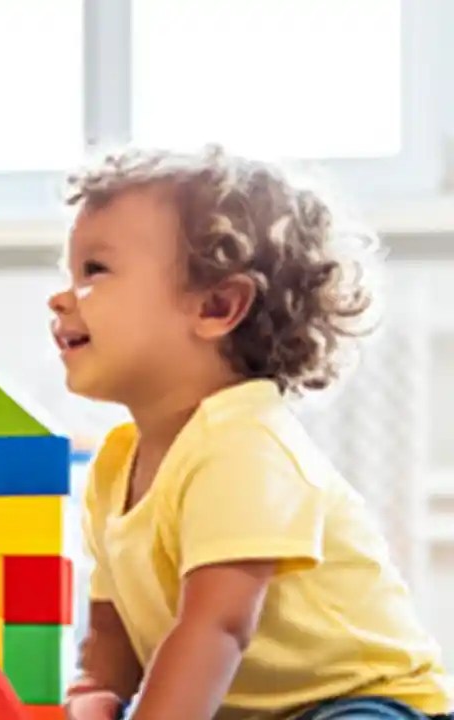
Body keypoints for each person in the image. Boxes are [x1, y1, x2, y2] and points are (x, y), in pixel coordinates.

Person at [49, 146, 454, 720]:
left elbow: (217, 627)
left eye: (95, 271)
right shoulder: (115, 467)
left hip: (364, 701)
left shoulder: (243, 445)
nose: (61, 296)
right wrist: (91, 696)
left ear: (217, 305)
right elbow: (111, 643)